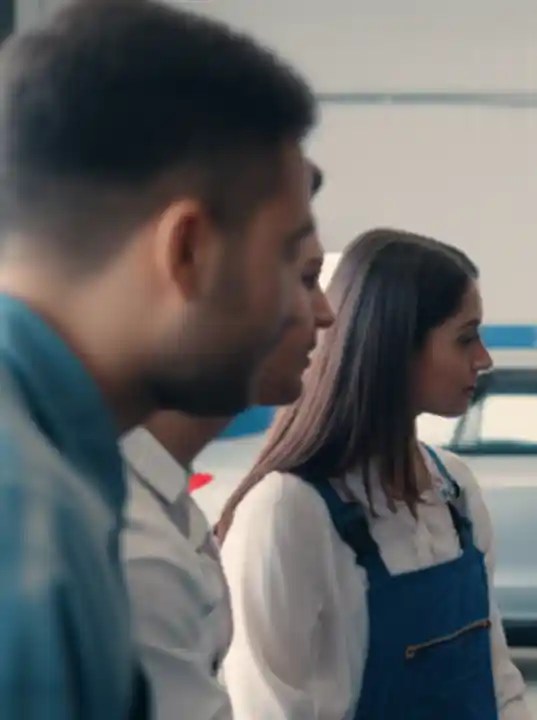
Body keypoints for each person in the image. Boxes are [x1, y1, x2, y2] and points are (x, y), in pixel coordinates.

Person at [0, 2, 317, 718]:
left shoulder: (65, 473)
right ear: (188, 252)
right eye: (285, 260)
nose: (305, 311)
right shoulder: (26, 521)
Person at [214, 228, 532, 720]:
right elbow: (266, 709)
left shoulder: (455, 492)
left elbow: (498, 678)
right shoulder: (288, 512)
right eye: (465, 338)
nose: (484, 358)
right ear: (394, 346)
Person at [121, 162, 335, 720]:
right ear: (188, 259)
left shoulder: (164, 503)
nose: (326, 313)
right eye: (306, 277)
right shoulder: (129, 549)